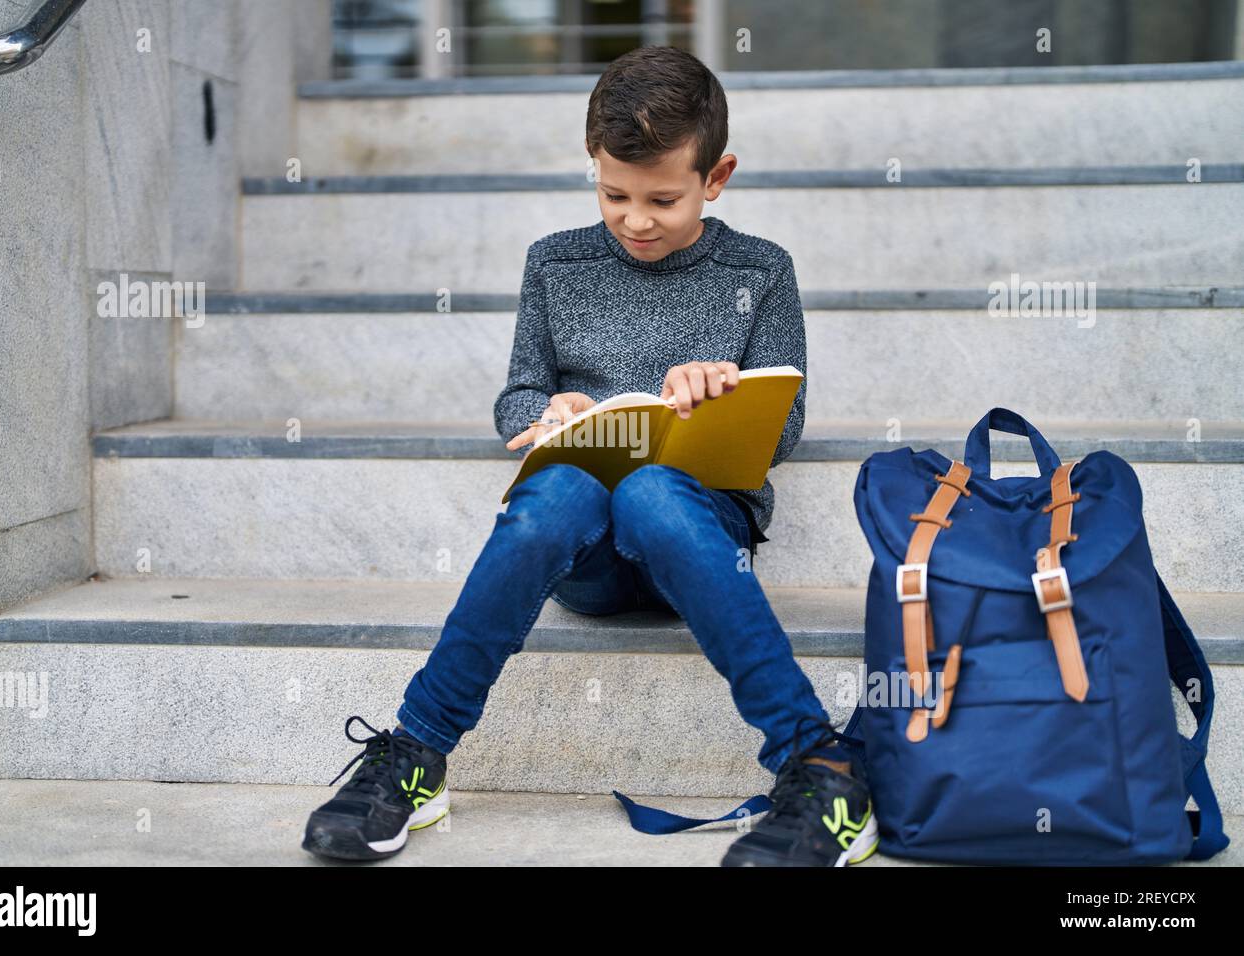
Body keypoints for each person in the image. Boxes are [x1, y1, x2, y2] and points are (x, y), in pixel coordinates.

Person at [302, 45, 877, 868]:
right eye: (614, 194)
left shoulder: (763, 271)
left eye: (663, 199)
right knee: (561, 494)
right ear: (591, 168)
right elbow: (514, 397)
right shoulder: (554, 263)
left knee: (648, 493)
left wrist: (723, 391)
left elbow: (783, 431)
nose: (636, 219)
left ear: (716, 179)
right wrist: (549, 412)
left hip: (697, 527)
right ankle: (416, 755)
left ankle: (818, 765)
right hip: (586, 556)